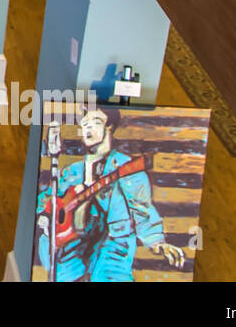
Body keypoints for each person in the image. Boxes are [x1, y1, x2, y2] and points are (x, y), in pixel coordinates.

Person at [35, 107, 187, 281]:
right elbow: (44, 202)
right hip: (71, 252)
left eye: (96, 122)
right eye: (85, 124)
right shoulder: (71, 173)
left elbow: (142, 210)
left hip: (112, 250)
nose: (88, 128)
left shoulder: (128, 169)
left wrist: (158, 243)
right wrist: (48, 215)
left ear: (110, 127)